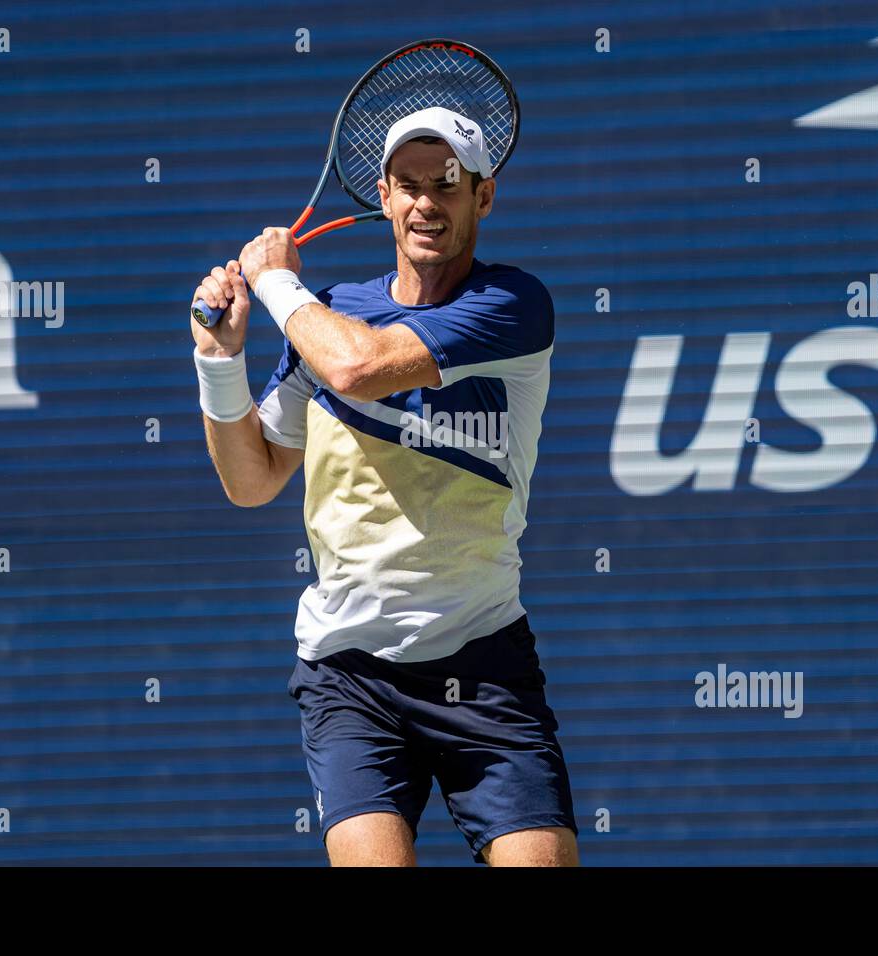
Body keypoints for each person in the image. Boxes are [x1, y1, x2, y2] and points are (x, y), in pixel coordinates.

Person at [189, 106, 578, 866]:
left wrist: (273, 283)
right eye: (409, 185)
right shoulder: (328, 314)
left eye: (449, 185)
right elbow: (251, 479)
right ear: (384, 195)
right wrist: (218, 360)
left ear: (483, 197)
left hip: (486, 664)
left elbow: (357, 367)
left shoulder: (513, 305)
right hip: (350, 676)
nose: (427, 203)